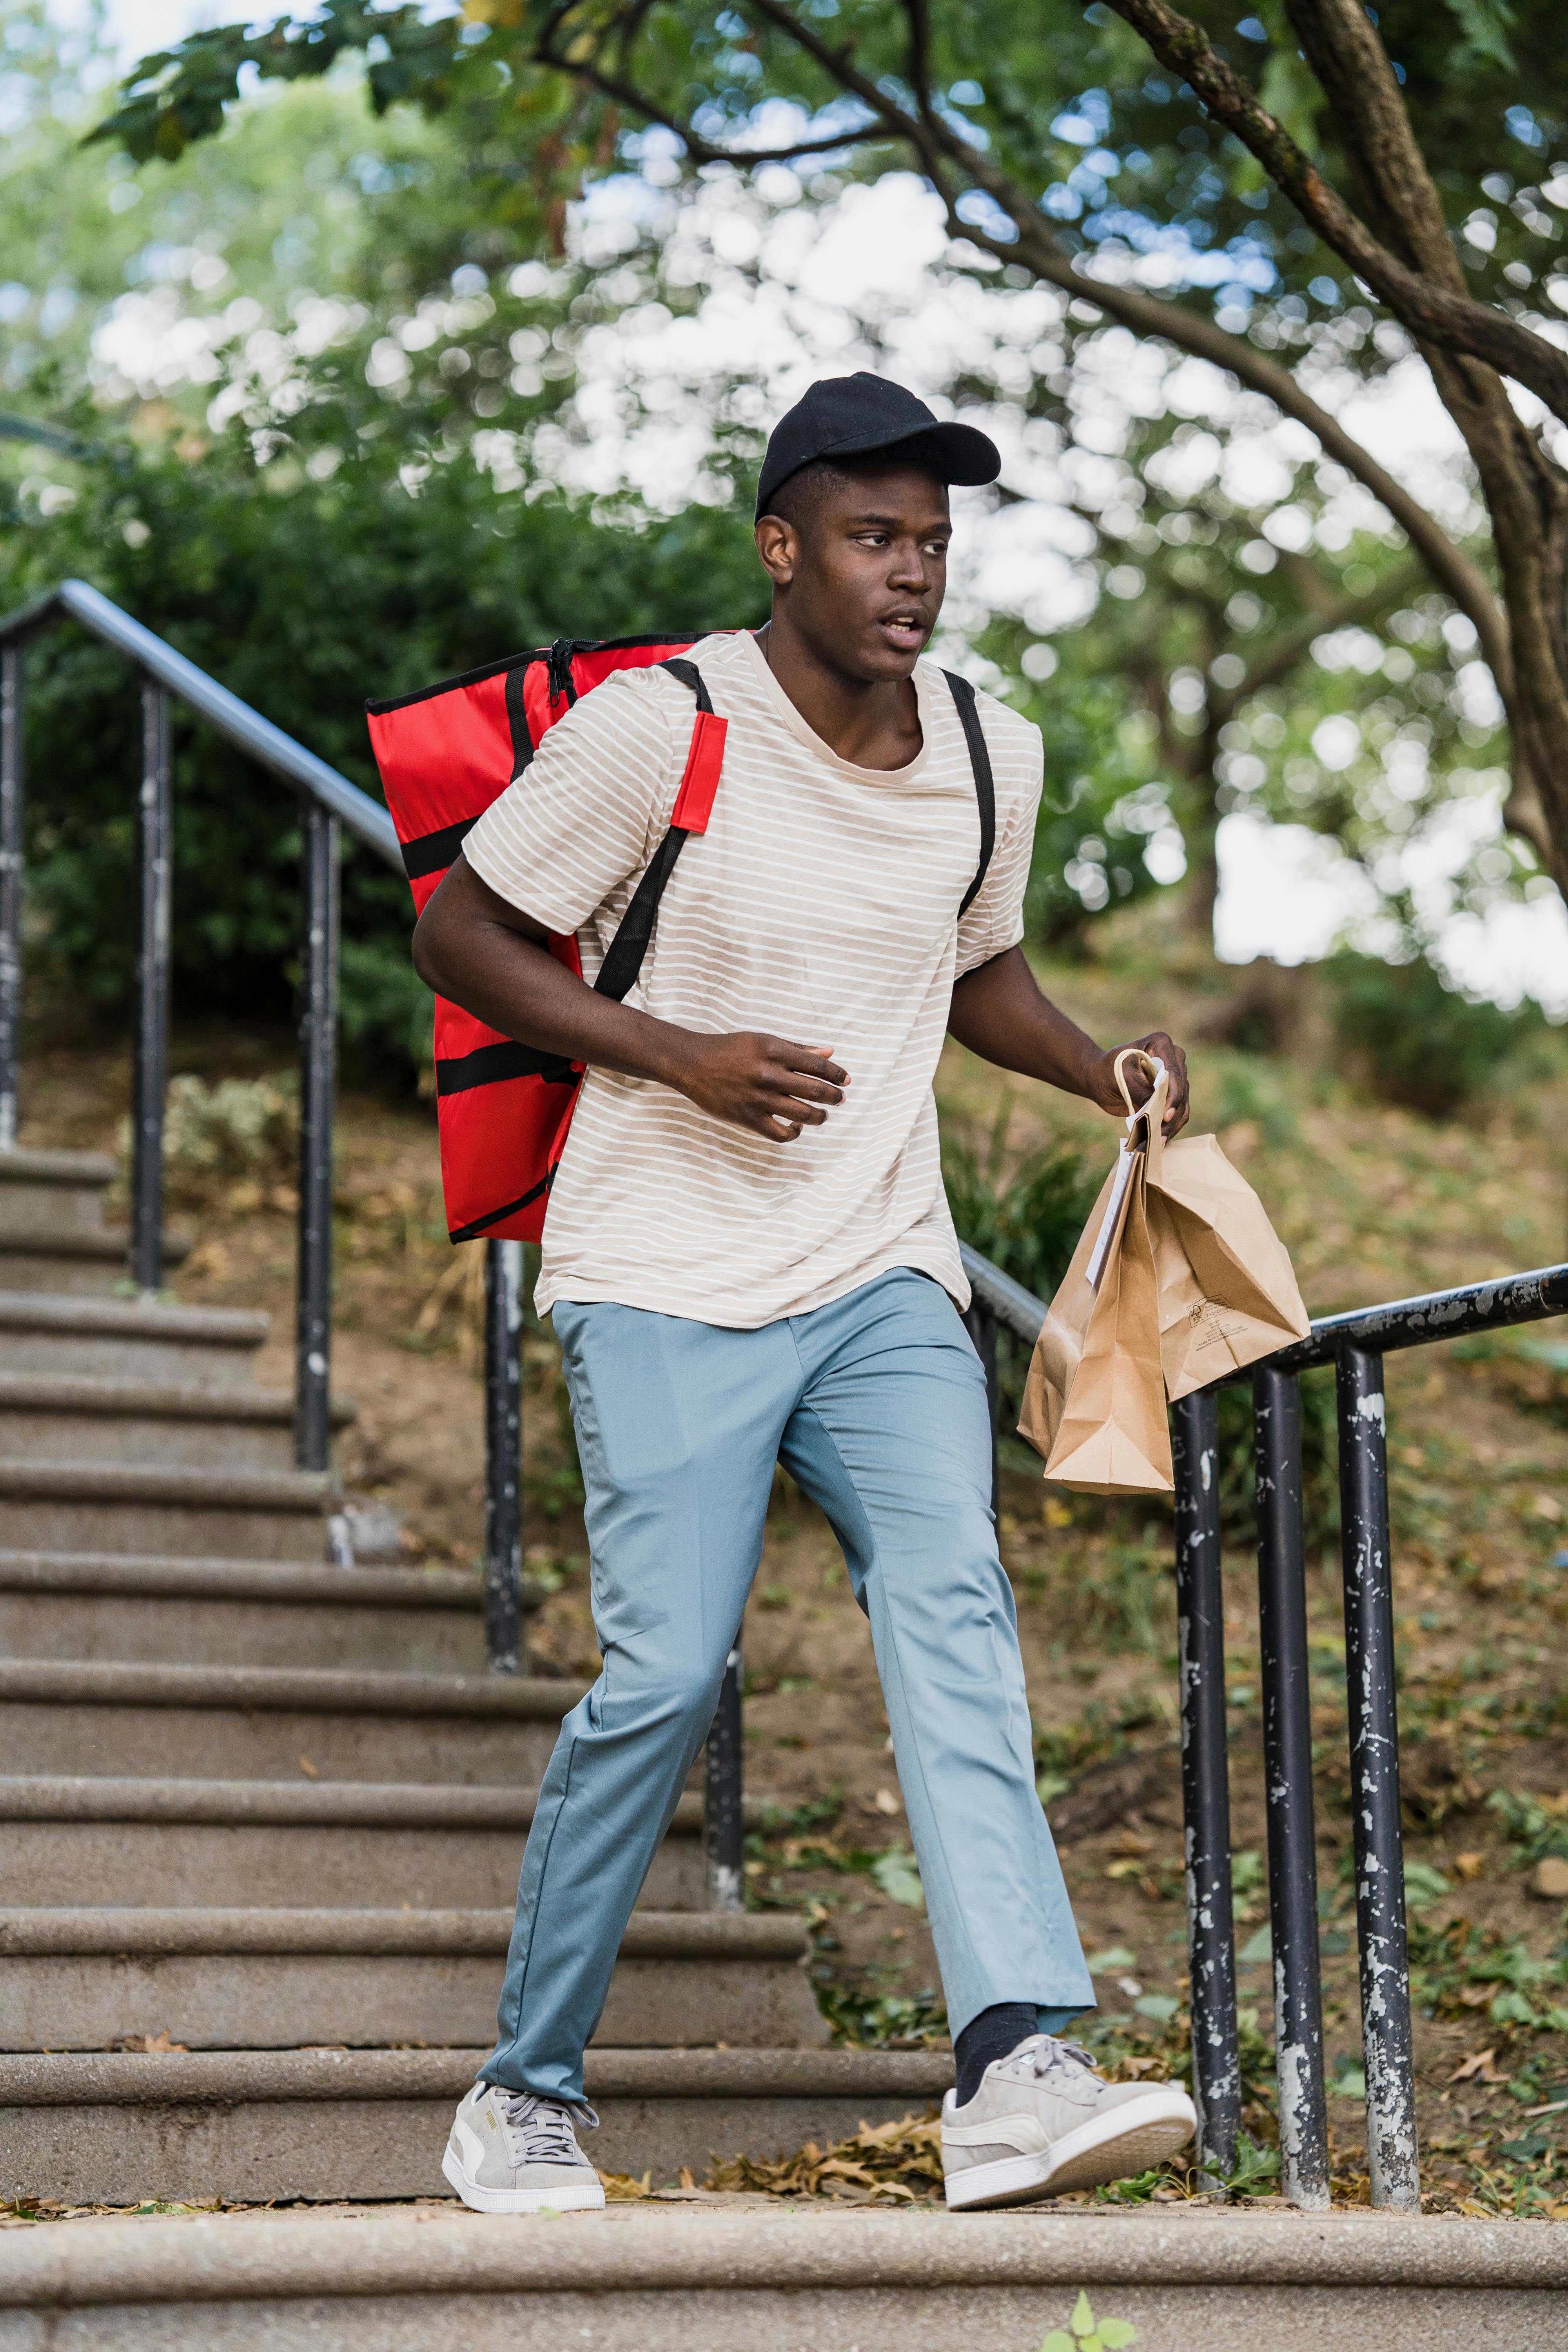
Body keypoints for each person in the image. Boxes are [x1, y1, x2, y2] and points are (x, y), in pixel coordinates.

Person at [412, 371, 1198, 2216]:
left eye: (931, 540)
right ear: (783, 547)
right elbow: (461, 928)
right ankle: (520, 2091)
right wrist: (672, 1053)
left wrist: (1102, 1072)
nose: (910, 572)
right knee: (665, 1669)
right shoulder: (661, 724)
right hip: (663, 1270)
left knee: (951, 1608)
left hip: (881, 1267)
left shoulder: (988, 747)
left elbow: (971, 973)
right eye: (872, 536)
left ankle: (1016, 2065)